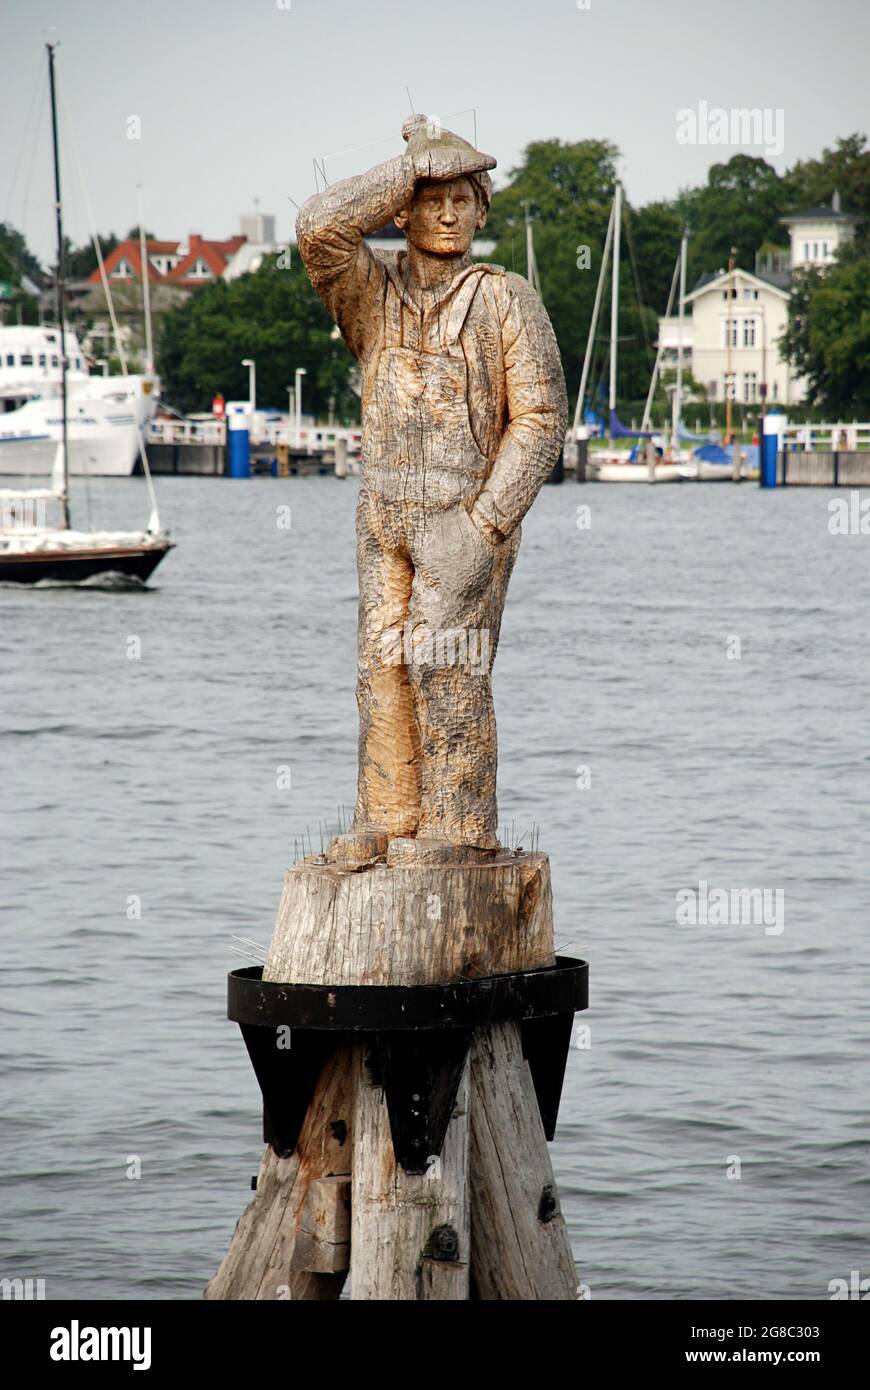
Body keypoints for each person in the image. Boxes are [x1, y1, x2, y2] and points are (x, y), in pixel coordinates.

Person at [296, 116, 567, 862]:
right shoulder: (369, 293)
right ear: (402, 210)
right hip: (382, 512)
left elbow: (542, 422)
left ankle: (457, 825)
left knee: (447, 662)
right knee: (381, 664)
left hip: (463, 513)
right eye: (430, 197)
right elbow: (318, 228)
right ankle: (387, 816)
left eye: (463, 197)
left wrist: (484, 525)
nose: (447, 212)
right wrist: (408, 165)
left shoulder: (505, 299)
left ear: (483, 210)